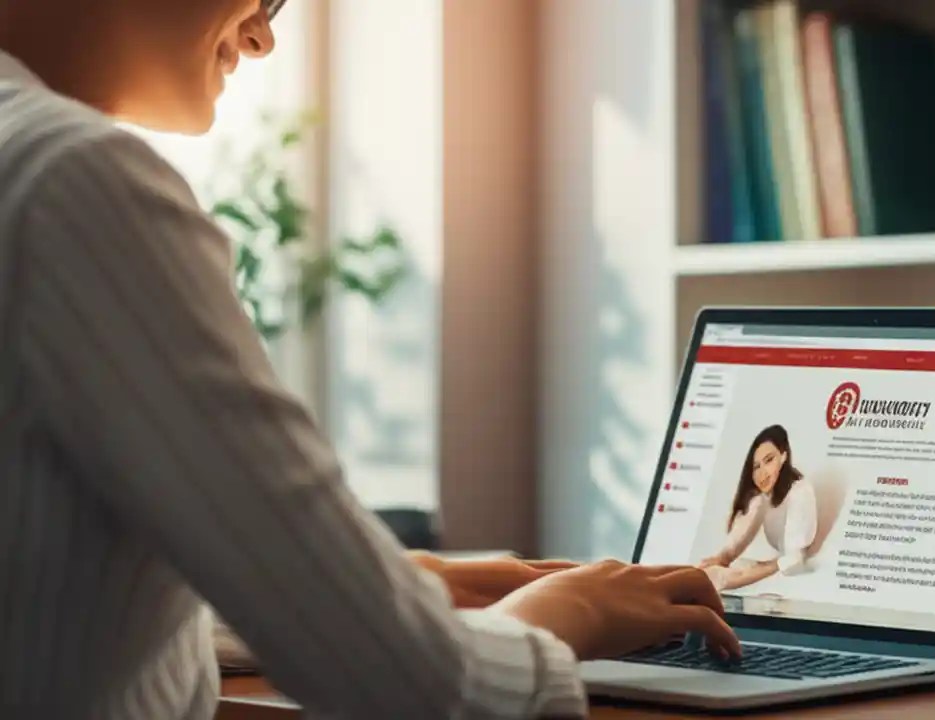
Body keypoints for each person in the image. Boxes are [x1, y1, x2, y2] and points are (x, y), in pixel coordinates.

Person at [0, 1, 739, 718]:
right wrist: (569, 610)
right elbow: (417, 689)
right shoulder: (76, 183)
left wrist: (380, 590)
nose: (262, 38)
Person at [700, 425, 819, 591]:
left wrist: (745, 572)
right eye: (756, 467)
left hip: (797, 569)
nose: (762, 473)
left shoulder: (800, 493)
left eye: (769, 460)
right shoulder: (764, 495)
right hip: (781, 559)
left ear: (784, 456)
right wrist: (722, 558)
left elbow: (794, 560)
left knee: (722, 576)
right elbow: (734, 546)